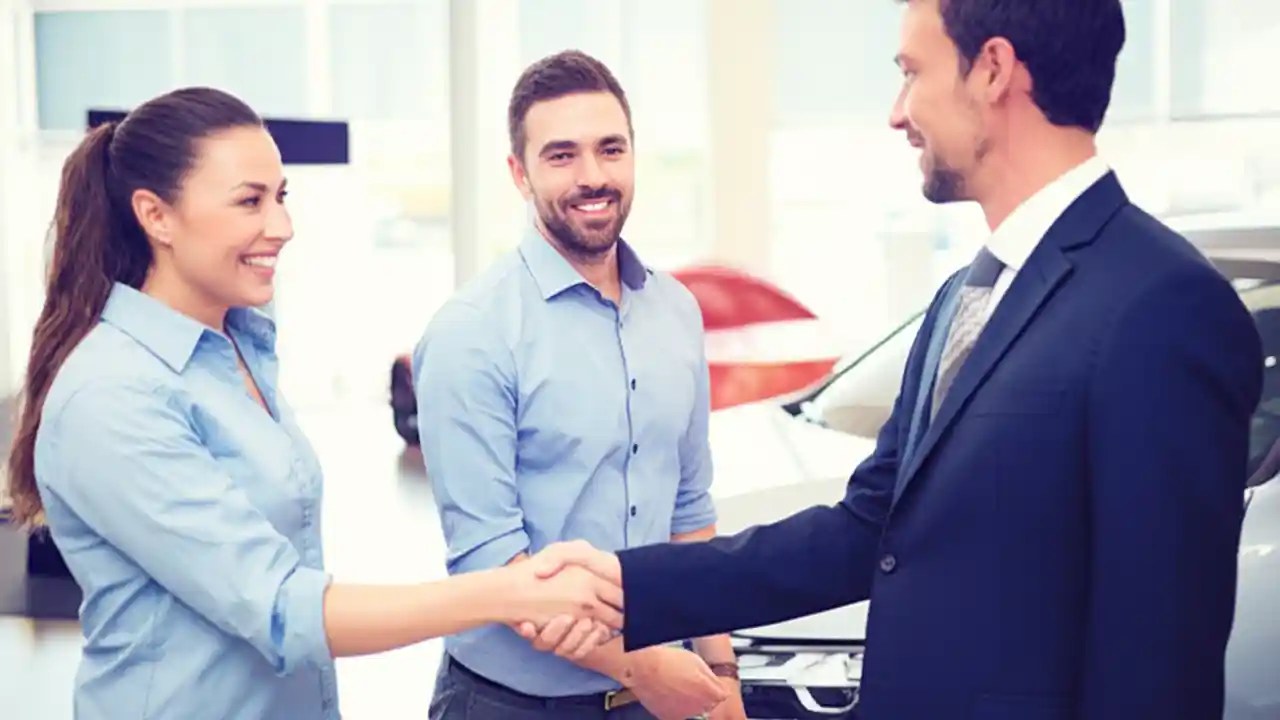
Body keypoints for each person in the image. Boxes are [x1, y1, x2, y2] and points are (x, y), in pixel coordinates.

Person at [528, 2, 1265, 718]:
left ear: (994, 71)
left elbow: (1157, 665)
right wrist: (625, 582)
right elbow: (869, 530)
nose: (896, 110)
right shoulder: (964, 295)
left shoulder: (1164, 307)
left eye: (912, 72)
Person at [2, 86, 621, 720]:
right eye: (250, 201)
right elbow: (281, 608)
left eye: (281, 197)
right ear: (155, 216)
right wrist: (511, 592)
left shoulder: (237, 346)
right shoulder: (112, 395)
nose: (282, 227)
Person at [413, 51, 743, 720]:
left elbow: (688, 512)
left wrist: (721, 670)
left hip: (660, 699)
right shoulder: (471, 333)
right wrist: (649, 666)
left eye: (609, 149)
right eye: (561, 155)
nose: (593, 176)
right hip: (513, 704)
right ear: (519, 172)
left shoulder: (676, 311)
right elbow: (494, 566)